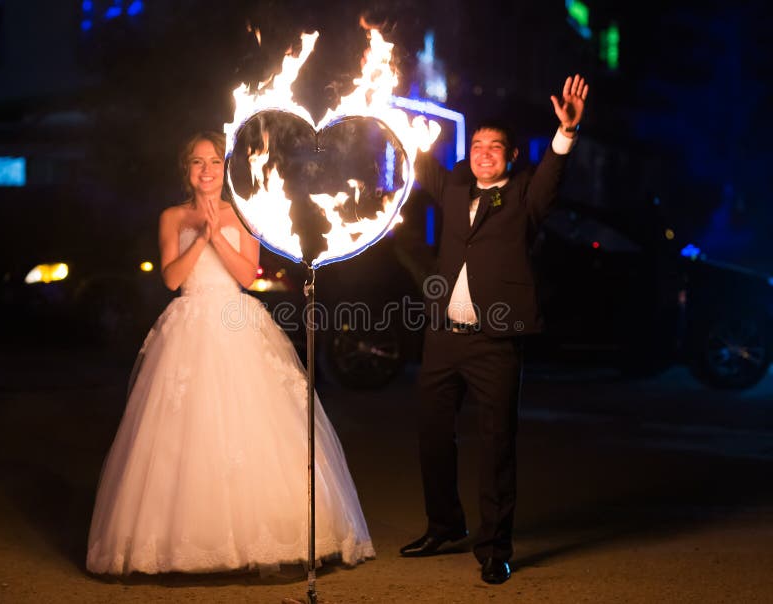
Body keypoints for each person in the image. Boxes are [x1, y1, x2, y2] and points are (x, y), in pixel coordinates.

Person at [86, 131, 375, 575]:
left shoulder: (244, 214)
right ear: (186, 170)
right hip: (187, 325)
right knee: (182, 431)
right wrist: (200, 236)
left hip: (235, 321)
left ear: (226, 168)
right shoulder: (172, 217)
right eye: (197, 162)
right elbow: (171, 278)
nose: (206, 170)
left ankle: (264, 542)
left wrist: (217, 236)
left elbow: (245, 275)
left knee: (251, 423)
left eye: (214, 162)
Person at [400, 75, 589, 584]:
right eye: (478, 145)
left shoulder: (526, 195)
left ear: (510, 156)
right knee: (432, 435)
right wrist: (398, 121)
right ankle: (444, 525)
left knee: (496, 444)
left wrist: (567, 132)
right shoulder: (453, 185)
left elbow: (552, 173)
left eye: (495, 147)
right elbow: (418, 160)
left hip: (495, 342)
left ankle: (494, 548)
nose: (484, 153)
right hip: (443, 336)